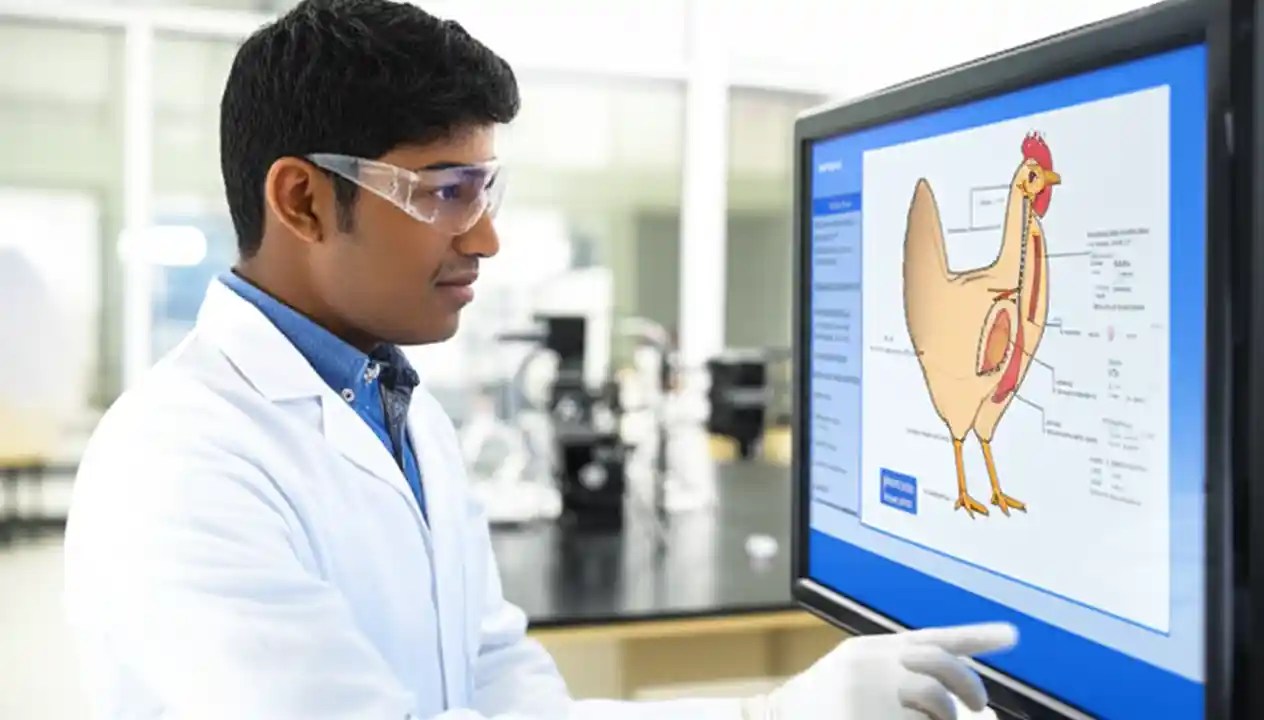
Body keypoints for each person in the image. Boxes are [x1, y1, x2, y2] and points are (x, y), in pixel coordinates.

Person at [62, 1, 1017, 718]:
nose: (486, 240)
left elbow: (505, 690)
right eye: (447, 192)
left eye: (488, 191)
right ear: (305, 201)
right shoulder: (182, 462)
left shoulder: (394, 405)